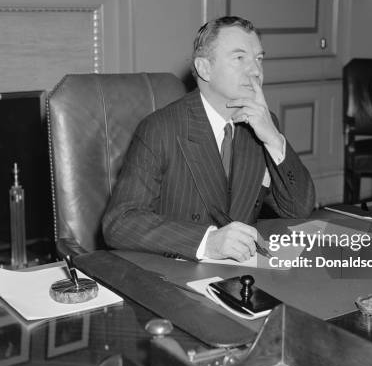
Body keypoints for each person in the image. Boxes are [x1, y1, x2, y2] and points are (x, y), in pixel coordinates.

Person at [102, 16, 315, 261]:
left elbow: (298, 210)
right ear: (204, 68)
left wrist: (274, 140)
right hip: (176, 272)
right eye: (239, 58)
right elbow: (119, 223)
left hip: (241, 273)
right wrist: (207, 242)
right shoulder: (161, 129)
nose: (256, 71)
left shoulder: (262, 125)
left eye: (259, 59)